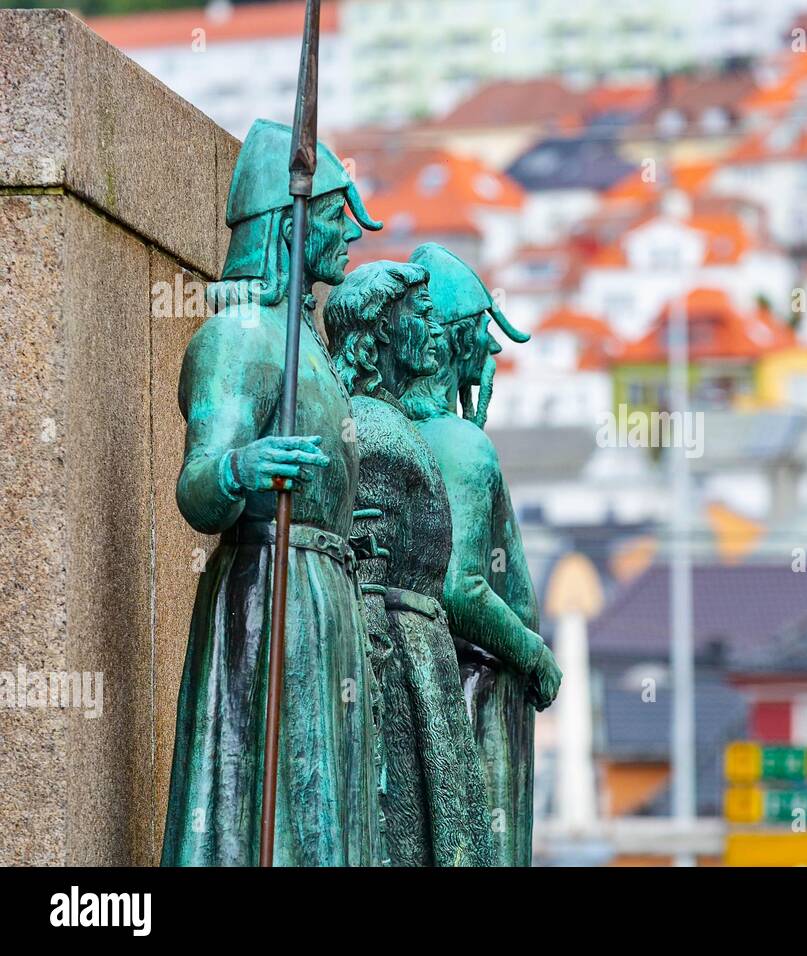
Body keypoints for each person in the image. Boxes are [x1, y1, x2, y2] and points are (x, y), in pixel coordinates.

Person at [162, 119, 386, 866]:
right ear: (290, 226)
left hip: (325, 602)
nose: (348, 239)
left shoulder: (311, 350)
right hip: (270, 595)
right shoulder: (241, 339)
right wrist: (241, 469)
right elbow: (197, 488)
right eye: (333, 217)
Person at [324, 261, 493, 866]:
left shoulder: (390, 422)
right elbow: (363, 584)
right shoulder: (368, 428)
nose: (436, 331)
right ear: (380, 335)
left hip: (417, 655)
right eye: (420, 318)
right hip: (399, 667)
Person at [401, 242, 562, 866]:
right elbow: (462, 587)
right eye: (480, 333)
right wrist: (536, 656)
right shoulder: (462, 447)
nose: (492, 351)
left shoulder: (411, 430)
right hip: (479, 690)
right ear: (449, 341)